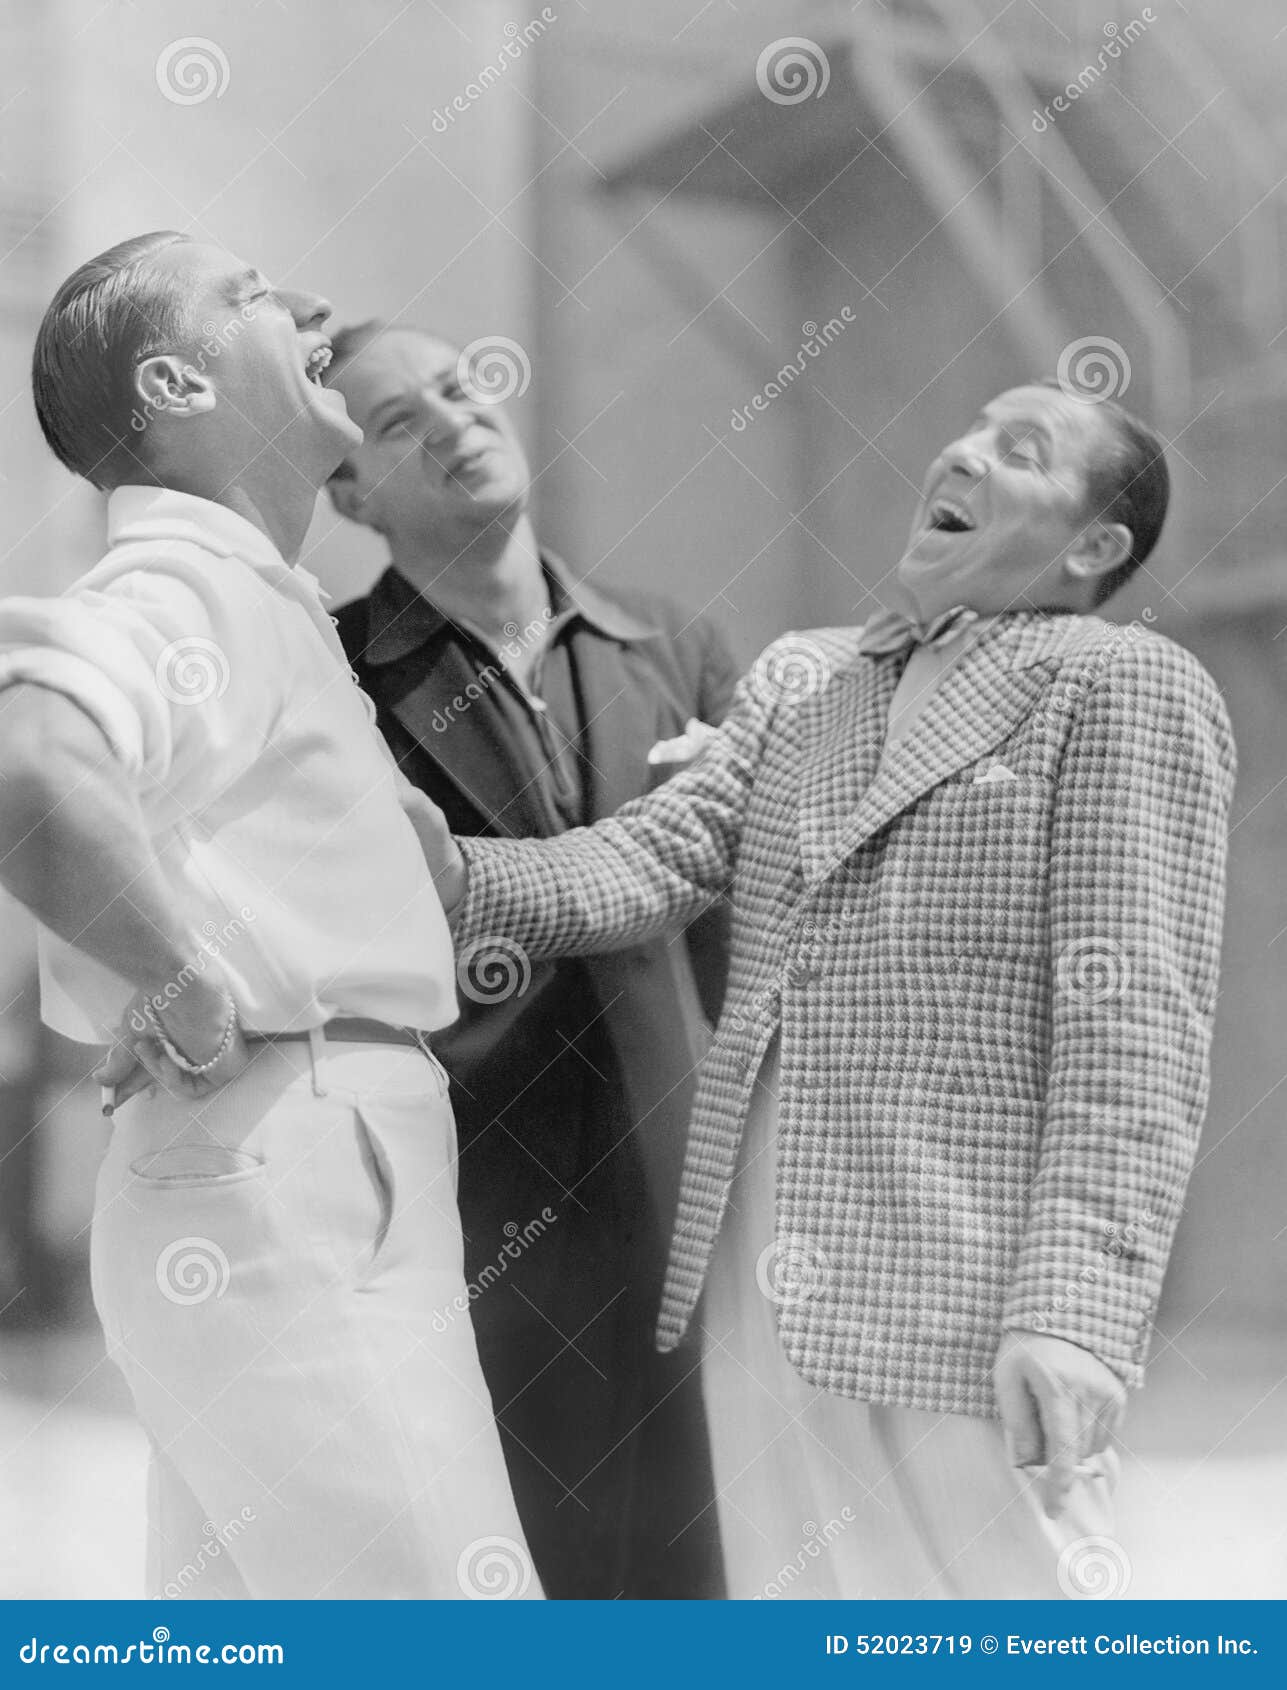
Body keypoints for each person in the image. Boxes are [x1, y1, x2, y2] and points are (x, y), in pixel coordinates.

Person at [412, 379, 1235, 1598]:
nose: (962, 451)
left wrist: (1075, 1310)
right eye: (969, 428)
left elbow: (1138, 1028)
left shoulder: (1123, 685)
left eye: (1020, 451)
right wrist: (445, 866)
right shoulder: (810, 677)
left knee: (1026, 1612)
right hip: (770, 1254)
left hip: (971, 1264)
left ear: (1094, 545)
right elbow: (653, 854)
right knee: (809, 1604)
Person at [0, 233, 538, 1601]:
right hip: (283, 1165)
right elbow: (28, 766)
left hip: (275, 1170)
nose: (301, 305)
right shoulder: (186, 586)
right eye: (248, 296)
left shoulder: (260, 600)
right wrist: (176, 974)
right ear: (178, 385)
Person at [323, 321, 735, 1598]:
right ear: (348, 491)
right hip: (471, 1196)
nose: (454, 422)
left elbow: (731, 944)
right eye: (401, 421)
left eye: (458, 388)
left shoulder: (671, 645)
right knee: (515, 1567)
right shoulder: (331, 674)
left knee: (690, 1564)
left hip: (676, 1184)